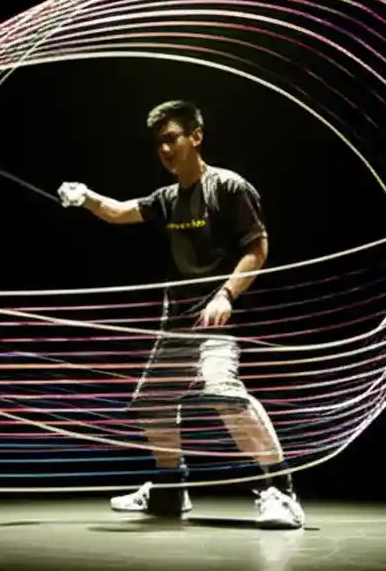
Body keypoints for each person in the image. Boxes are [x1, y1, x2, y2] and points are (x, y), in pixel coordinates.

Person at [57, 100, 305, 529]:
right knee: (152, 402)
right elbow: (119, 212)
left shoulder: (228, 187)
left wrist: (226, 294)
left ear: (196, 136)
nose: (166, 150)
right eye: (159, 144)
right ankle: (170, 493)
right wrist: (86, 197)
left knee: (222, 391)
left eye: (172, 139)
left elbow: (258, 249)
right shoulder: (168, 199)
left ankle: (281, 492)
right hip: (177, 324)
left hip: (219, 319)